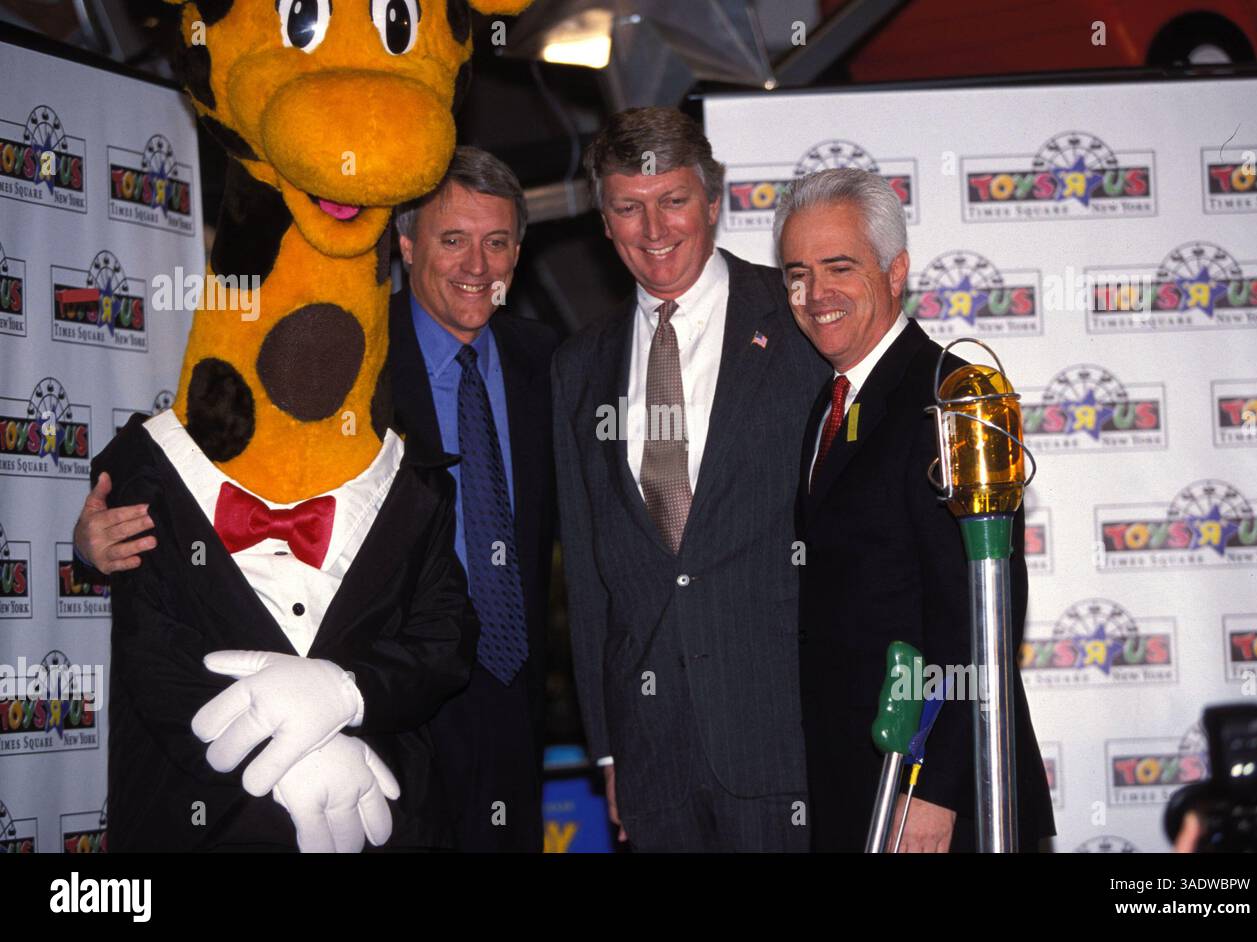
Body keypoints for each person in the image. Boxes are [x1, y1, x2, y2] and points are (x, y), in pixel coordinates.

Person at [75, 146, 557, 852]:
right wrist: (92, 540)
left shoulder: (551, 362)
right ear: (405, 242)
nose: (477, 267)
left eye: (498, 242)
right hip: (375, 721)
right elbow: (189, 446)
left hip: (507, 700)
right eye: (453, 239)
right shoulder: (340, 347)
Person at [552, 107, 827, 852]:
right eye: (628, 208)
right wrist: (609, 749)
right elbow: (589, 575)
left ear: (714, 201)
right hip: (652, 758)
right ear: (604, 221)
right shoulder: (579, 366)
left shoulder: (806, 323)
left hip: (788, 742)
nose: (653, 229)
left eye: (673, 200)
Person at [775, 167, 1055, 852]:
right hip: (856, 790)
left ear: (896, 271)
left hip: (936, 802)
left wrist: (934, 792)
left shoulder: (953, 396)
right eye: (797, 274)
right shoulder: (828, 403)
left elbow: (980, 617)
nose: (815, 294)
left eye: (840, 267)